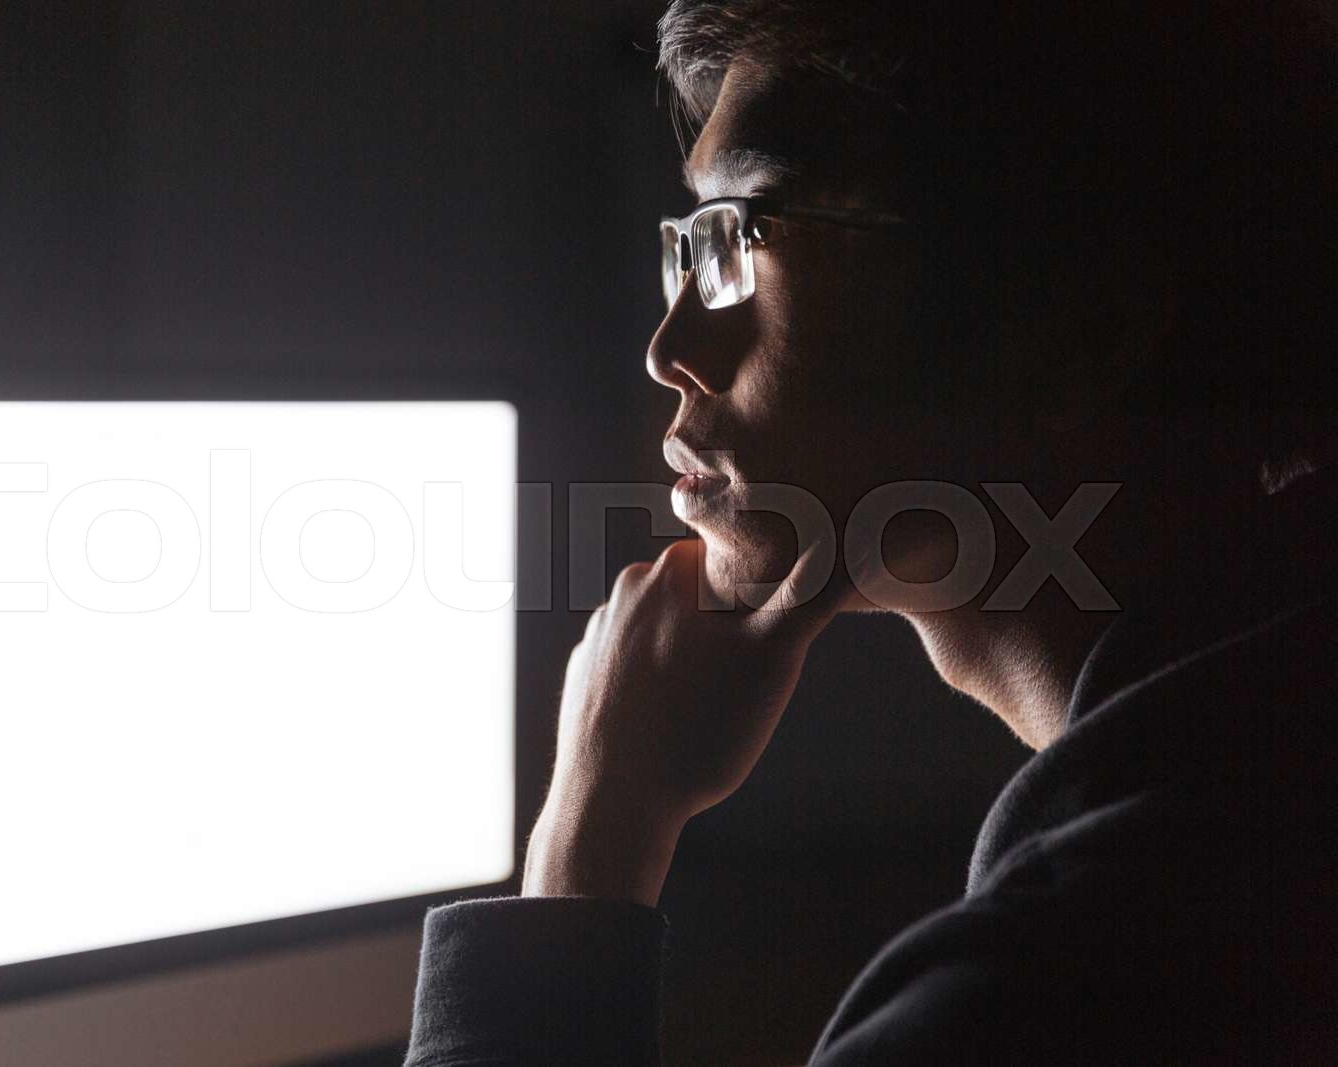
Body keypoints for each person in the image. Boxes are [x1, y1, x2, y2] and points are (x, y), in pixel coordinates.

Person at [406, 1, 1337, 1062]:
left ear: (1076, 332)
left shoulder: (1037, 993)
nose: (672, 347)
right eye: (690, 247)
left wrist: (587, 840)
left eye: (749, 227)